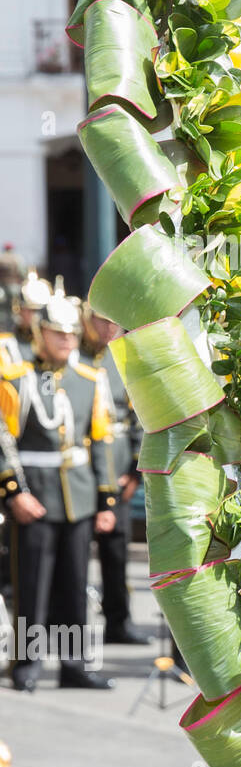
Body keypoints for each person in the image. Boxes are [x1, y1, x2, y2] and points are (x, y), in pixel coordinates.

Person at [1, 293, 118, 691]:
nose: (66, 339)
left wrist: (107, 500)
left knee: (74, 587)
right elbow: (3, 441)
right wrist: (14, 493)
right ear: (40, 333)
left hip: (79, 498)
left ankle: (73, 665)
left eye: (71, 332)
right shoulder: (18, 378)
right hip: (35, 495)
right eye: (57, 332)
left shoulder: (89, 379)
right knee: (31, 585)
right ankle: (28, 663)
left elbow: (99, 442)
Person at [81, 305, 147, 646]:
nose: (109, 328)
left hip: (118, 469)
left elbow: (139, 416)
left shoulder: (124, 358)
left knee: (116, 553)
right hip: (81, 470)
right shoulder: (76, 355)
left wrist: (135, 471)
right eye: (102, 320)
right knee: (75, 554)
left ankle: (118, 622)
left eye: (113, 321)